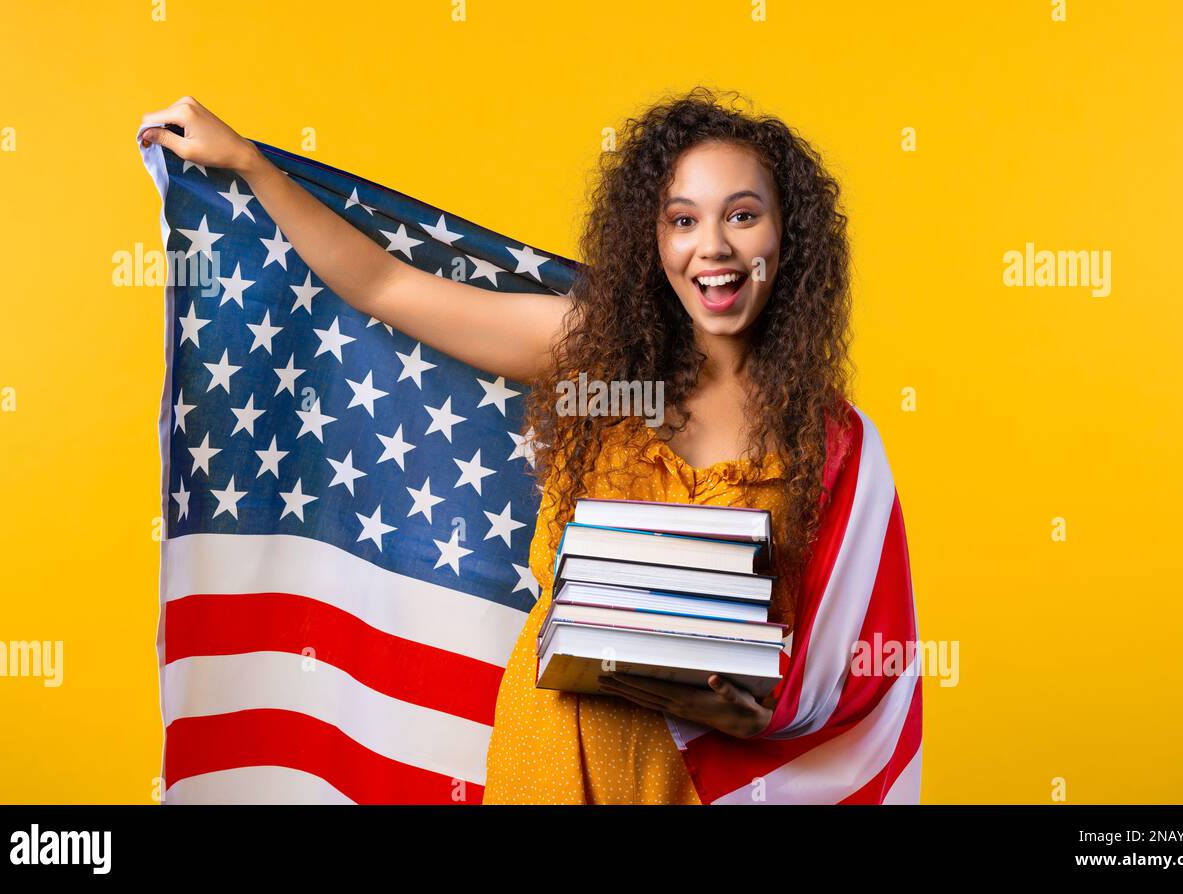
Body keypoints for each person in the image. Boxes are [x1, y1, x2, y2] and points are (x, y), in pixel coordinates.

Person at [139, 86, 856, 804]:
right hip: (554, 757)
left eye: (742, 215)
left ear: (786, 237)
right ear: (653, 239)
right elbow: (384, 285)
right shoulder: (594, 353)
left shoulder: (832, 440)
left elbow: (836, 667)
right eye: (682, 220)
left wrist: (775, 714)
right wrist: (250, 165)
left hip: (712, 779)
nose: (713, 247)